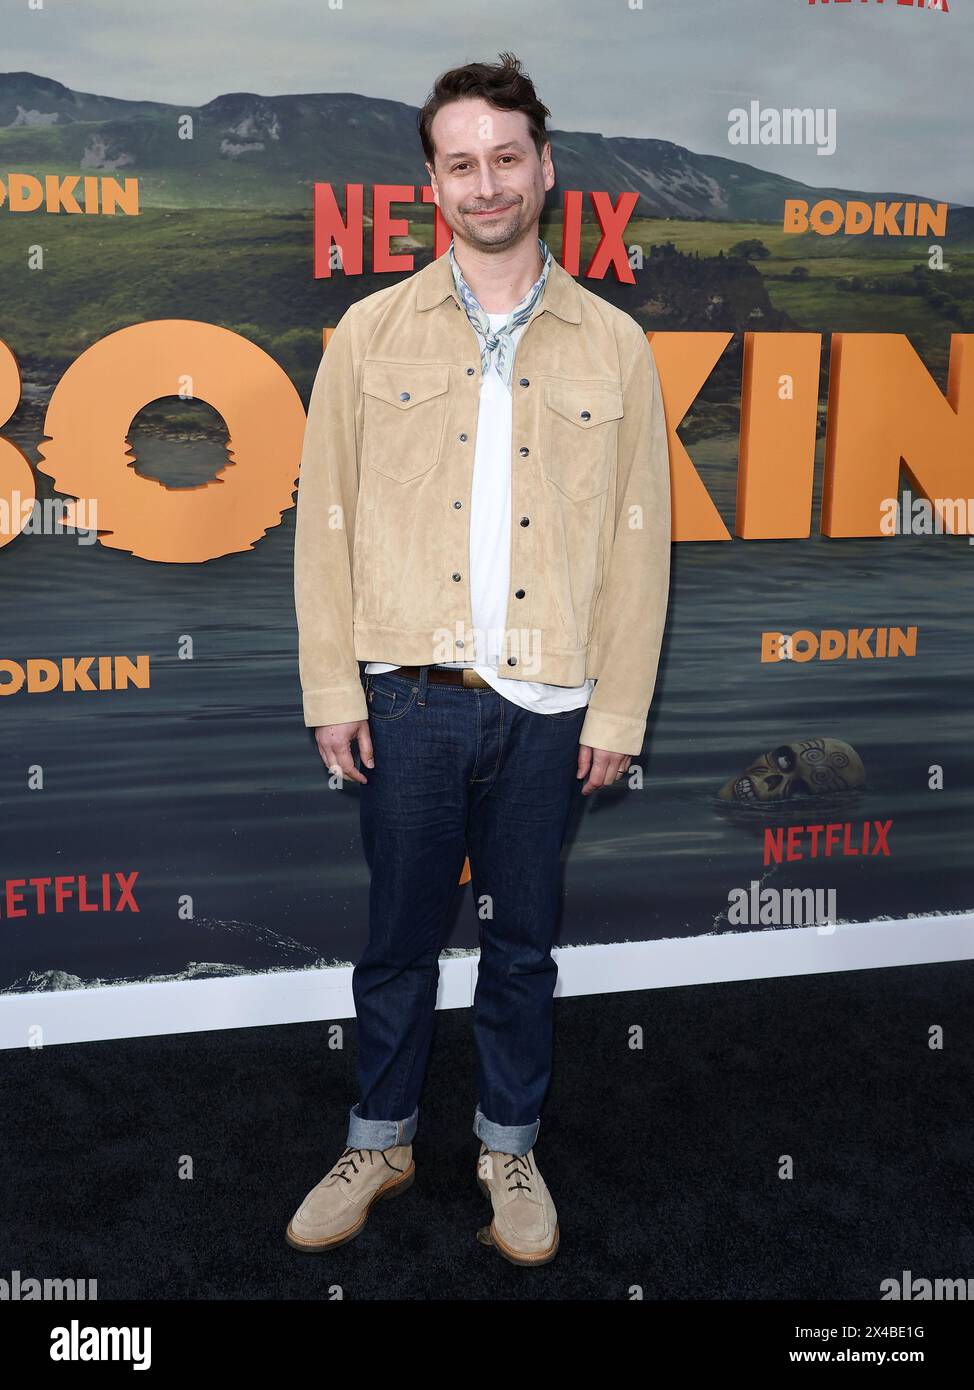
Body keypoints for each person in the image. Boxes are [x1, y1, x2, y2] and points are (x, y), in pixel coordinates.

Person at [287, 51, 671, 1266]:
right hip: (406, 699)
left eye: (507, 157)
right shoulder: (366, 332)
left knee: (521, 946)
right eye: (462, 162)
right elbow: (323, 527)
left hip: (551, 706)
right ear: (431, 183)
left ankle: (508, 1144)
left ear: (544, 168)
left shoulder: (613, 344)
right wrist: (328, 688)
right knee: (397, 940)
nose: (486, 181)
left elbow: (639, 544)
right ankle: (379, 1135)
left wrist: (617, 706)